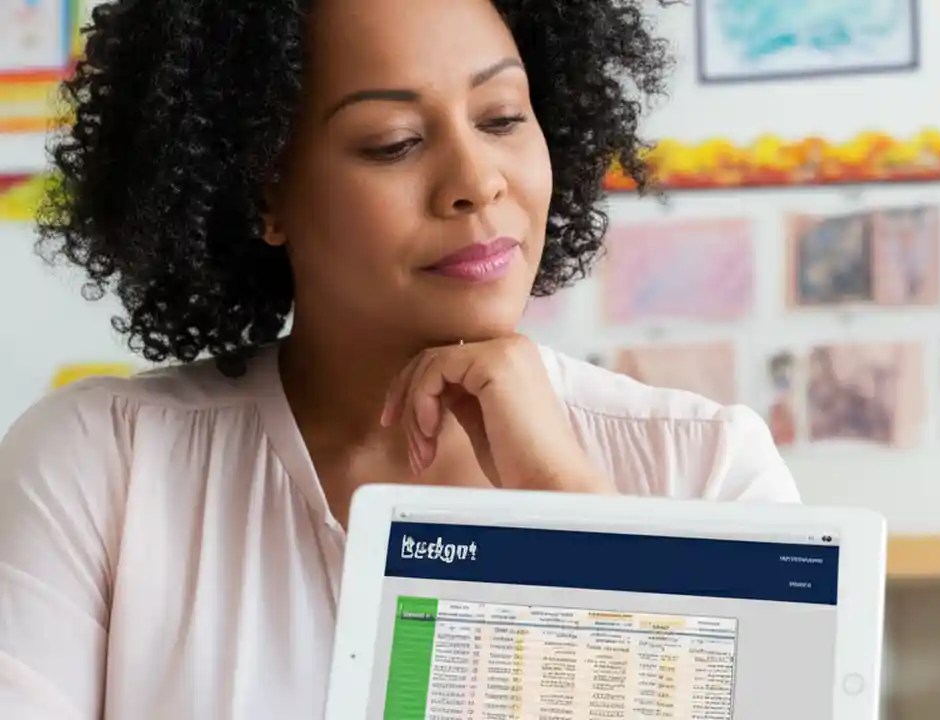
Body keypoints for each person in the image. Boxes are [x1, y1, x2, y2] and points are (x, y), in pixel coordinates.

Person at [0, 1, 800, 717]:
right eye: (395, 143)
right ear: (263, 193)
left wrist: (570, 504)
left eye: (502, 118)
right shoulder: (102, 468)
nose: (476, 182)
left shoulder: (708, 472)